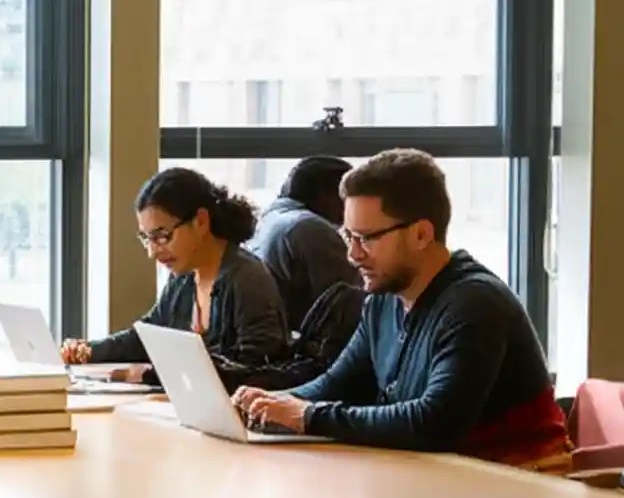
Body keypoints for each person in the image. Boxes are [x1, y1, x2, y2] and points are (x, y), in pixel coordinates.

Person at [233, 149, 570, 471]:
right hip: (442, 479)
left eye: (365, 238)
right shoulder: (384, 298)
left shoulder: (476, 304)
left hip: (519, 481)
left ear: (422, 234)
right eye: (347, 235)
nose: (352, 255)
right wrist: (269, 403)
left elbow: (434, 423)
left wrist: (307, 415)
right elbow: (338, 384)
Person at [61, 168, 291, 390]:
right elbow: (147, 335)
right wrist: (88, 351)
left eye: (162, 236)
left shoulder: (247, 280)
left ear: (201, 221)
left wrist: (150, 376)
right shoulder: (184, 277)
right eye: (146, 238)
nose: (153, 252)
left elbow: (255, 371)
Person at [248, 156, 361, 331]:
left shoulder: (269, 218)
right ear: (327, 194)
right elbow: (352, 301)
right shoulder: (311, 228)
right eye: (350, 198)